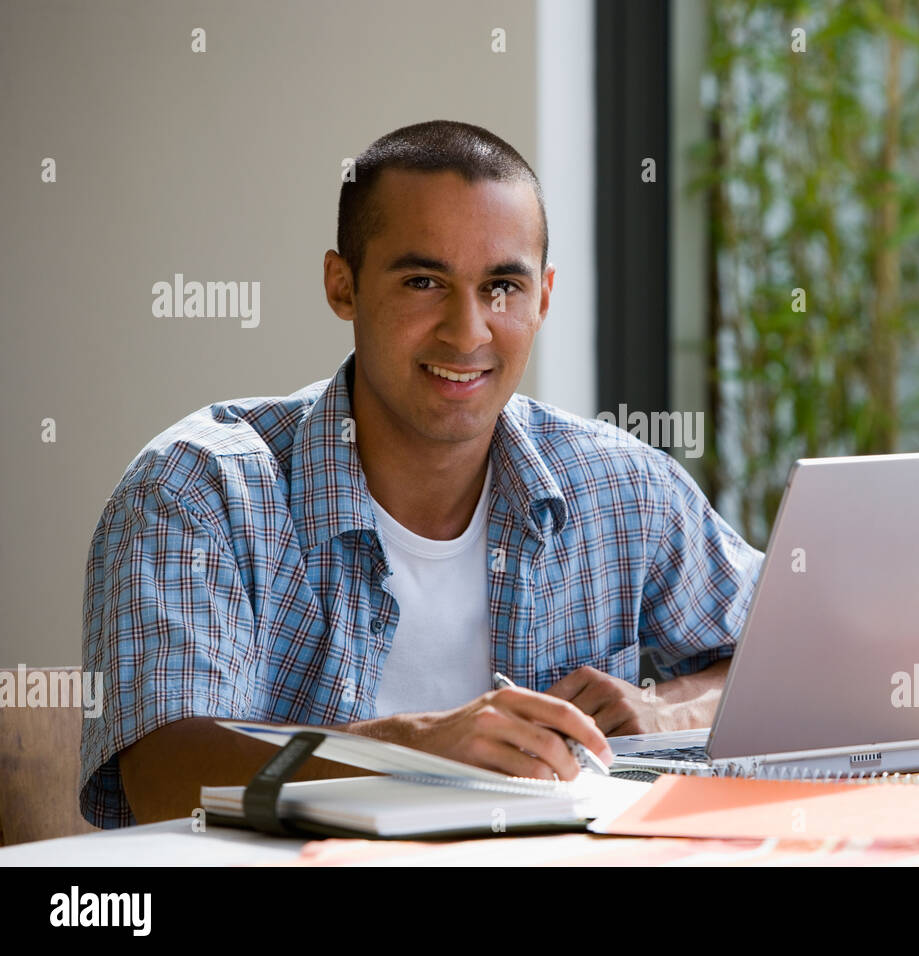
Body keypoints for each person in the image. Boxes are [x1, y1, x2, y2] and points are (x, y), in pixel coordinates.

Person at [79, 120, 763, 828]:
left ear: (544, 298)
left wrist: (667, 705)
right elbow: (163, 778)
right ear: (341, 286)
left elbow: (791, 664)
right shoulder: (196, 492)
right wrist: (417, 749)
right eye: (423, 281)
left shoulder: (624, 488)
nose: (466, 332)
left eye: (501, 286)